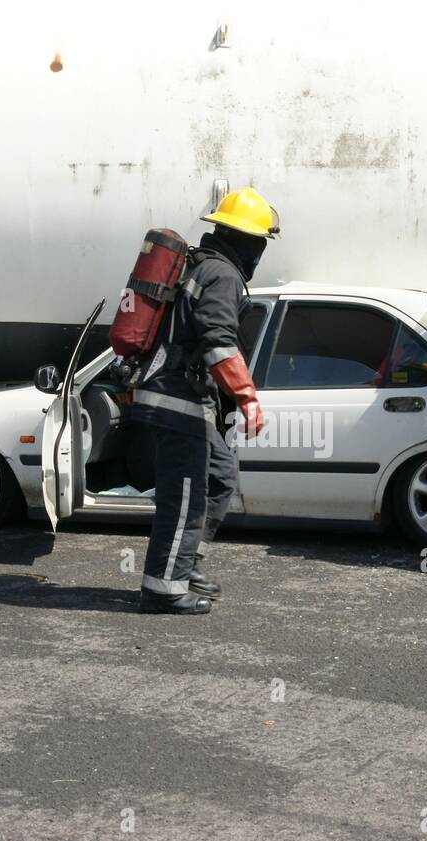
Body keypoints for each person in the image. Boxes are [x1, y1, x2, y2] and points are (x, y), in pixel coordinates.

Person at [130, 187, 280, 614]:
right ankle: (163, 590)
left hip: (181, 399)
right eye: (259, 243)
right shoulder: (222, 275)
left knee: (219, 477)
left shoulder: (201, 265)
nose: (259, 252)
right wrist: (248, 399)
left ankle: (185, 562)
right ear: (247, 242)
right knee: (184, 497)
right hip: (178, 401)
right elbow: (218, 342)